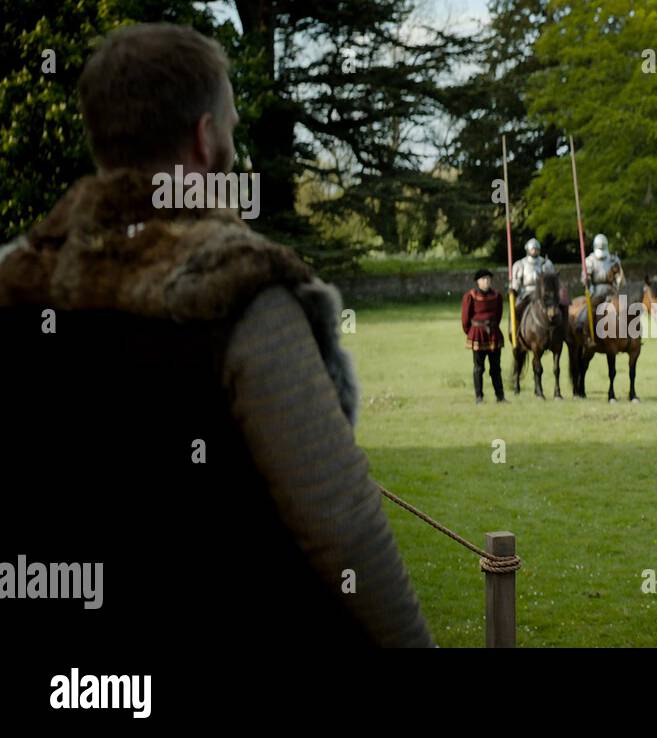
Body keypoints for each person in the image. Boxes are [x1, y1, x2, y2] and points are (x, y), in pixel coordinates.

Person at [0, 23, 433, 647]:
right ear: (206, 140)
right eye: (229, 123)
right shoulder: (243, 293)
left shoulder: (19, 278)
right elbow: (342, 524)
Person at [462, 268, 507, 404]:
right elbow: (465, 318)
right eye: (483, 279)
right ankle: (479, 397)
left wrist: (492, 326)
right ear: (478, 282)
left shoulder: (497, 295)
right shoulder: (471, 296)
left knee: (496, 368)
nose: (486, 281)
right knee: (478, 367)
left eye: (488, 279)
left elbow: (499, 315)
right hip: (478, 334)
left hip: (493, 334)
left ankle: (500, 397)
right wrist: (471, 331)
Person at [510, 237, 556, 315]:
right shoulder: (520, 264)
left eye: (536, 249)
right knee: (517, 310)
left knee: (557, 308)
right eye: (532, 249)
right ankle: (517, 326)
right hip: (526, 293)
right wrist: (514, 289)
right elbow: (516, 282)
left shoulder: (546, 263)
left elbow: (551, 280)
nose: (534, 251)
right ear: (528, 250)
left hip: (542, 293)